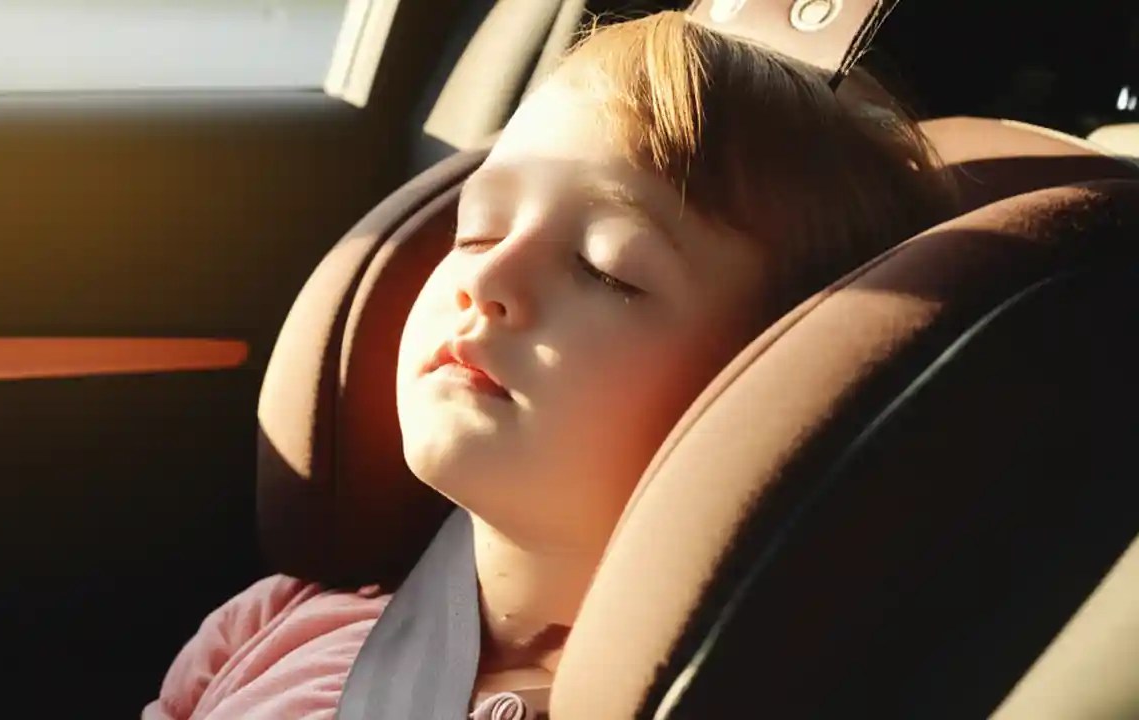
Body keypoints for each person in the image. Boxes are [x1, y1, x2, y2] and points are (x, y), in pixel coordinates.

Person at [143, 10, 957, 720]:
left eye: (608, 267)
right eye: (477, 231)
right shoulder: (272, 628)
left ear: (767, 385)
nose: (486, 282)